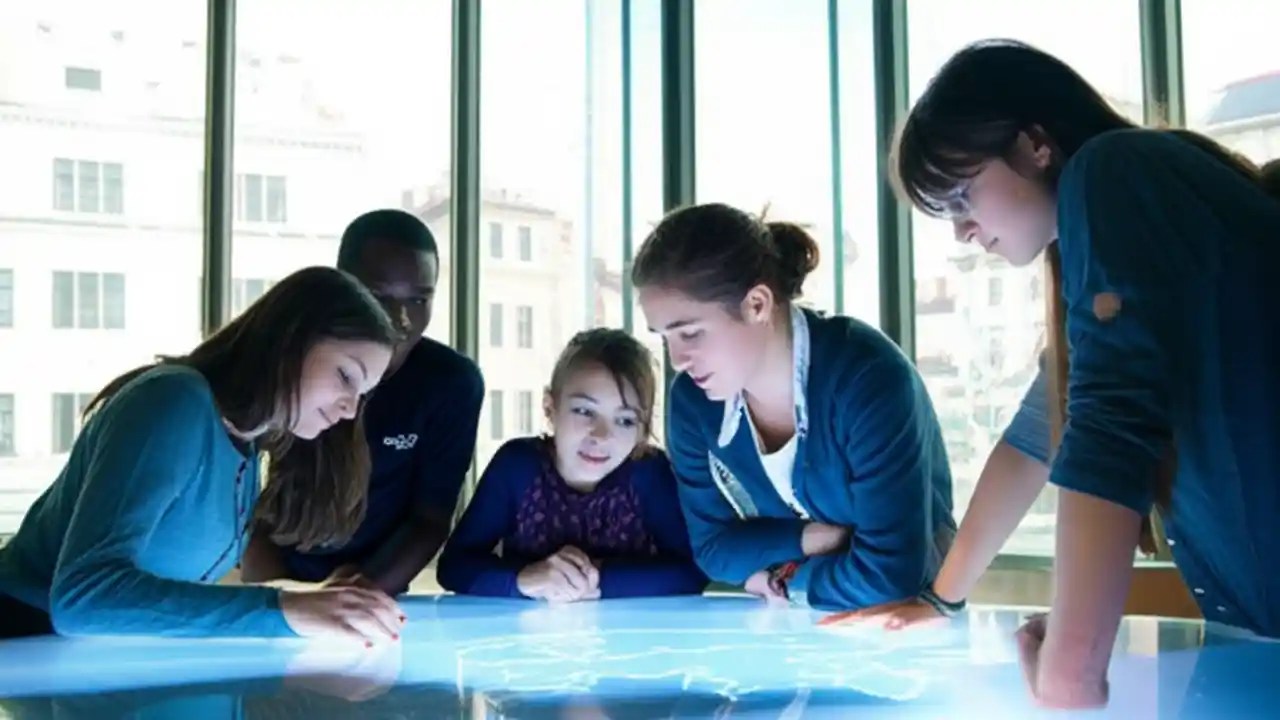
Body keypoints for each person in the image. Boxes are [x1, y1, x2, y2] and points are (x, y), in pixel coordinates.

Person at [854, 39, 1280, 709]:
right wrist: (941, 598)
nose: (962, 232)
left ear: (1034, 146)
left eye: (962, 196)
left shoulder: (1114, 172)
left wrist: (1070, 673)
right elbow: (1038, 437)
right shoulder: (1129, 232)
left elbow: (1110, 427)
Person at [0, 266, 406, 642]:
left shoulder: (246, 446)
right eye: (345, 376)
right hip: (21, 643)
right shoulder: (174, 401)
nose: (351, 408)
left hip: (84, 658)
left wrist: (307, 600)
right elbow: (80, 598)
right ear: (291, 340)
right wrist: (284, 609)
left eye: (362, 394)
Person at [631, 202, 956, 611]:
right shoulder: (692, 404)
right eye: (665, 337)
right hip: (790, 633)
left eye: (691, 333)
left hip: (905, 626)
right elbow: (713, 550)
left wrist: (787, 578)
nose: (677, 359)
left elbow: (892, 574)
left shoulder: (867, 377)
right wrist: (812, 538)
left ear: (757, 305)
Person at [241, 210, 484, 596]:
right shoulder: (289, 366)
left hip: (376, 586)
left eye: (419, 299)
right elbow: (253, 517)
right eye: (378, 297)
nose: (401, 319)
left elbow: (430, 519)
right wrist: (287, 600)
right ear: (343, 289)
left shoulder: (451, 383)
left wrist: (358, 595)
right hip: (277, 579)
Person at [437, 328, 706, 601]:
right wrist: (524, 579)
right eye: (585, 411)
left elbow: (693, 571)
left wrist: (595, 579)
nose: (601, 435)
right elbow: (454, 567)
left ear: (642, 427)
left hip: (627, 632)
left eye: (624, 420)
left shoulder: (648, 472)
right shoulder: (517, 467)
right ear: (549, 407)